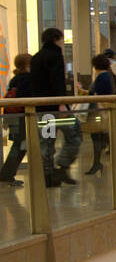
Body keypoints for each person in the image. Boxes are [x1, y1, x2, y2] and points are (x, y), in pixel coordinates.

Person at [29, 27, 82, 188]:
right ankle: (62, 165)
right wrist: (61, 103)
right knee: (75, 135)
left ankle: (48, 175)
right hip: (57, 108)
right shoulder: (56, 55)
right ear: (56, 39)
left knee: (47, 142)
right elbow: (56, 80)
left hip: (42, 109)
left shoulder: (36, 57)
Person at [0, 52, 32, 186]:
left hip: (13, 117)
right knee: (20, 146)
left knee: (19, 146)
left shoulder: (15, 79)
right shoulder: (28, 79)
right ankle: (7, 174)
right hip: (21, 117)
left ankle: (7, 174)